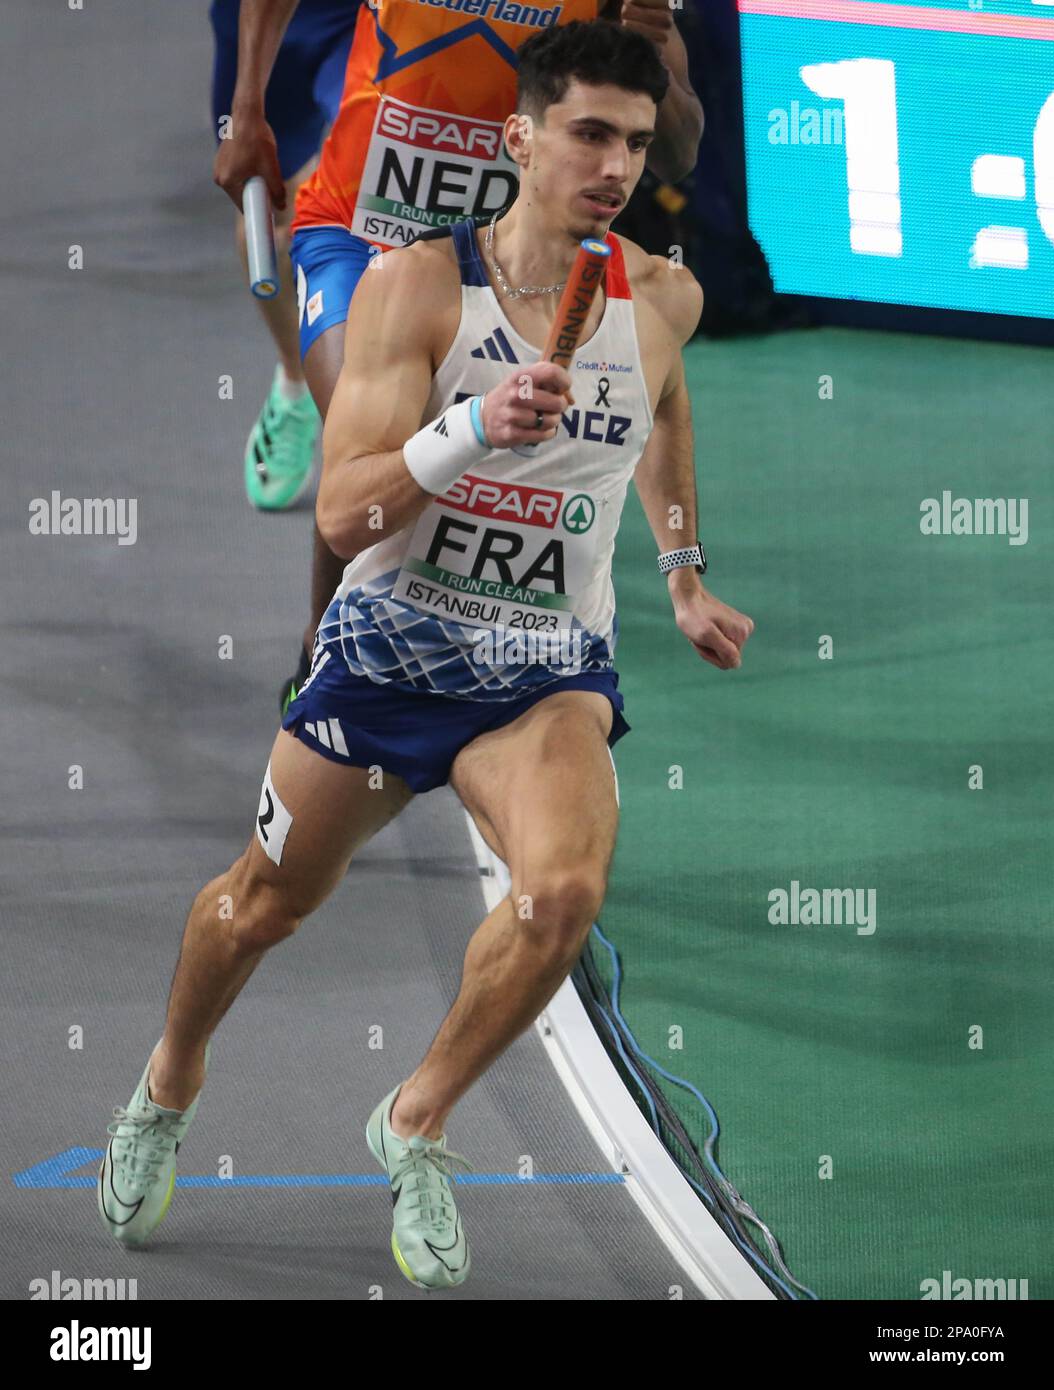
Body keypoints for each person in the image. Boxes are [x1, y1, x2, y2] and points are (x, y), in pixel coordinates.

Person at [98, 19, 752, 1291]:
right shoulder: (414, 290)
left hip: (545, 671)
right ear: (521, 138)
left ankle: (415, 1119)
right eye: (587, 134)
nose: (614, 164)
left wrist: (680, 568)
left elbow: (666, 404)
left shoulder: (662, 297)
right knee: (259, 908)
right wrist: (469, 429)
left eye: (630, 140)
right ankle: (168, 1082)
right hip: (390, 656)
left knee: (561, 895)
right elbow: (344, 515)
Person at [213, 0, 705, 712]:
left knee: (427, 451)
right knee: (374, 431)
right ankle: (321, 658)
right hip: (358, 229)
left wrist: (650, 54)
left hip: (488, 261)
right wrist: (247, 107)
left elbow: (680, 153)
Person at [210, 0, 360, 510]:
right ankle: (296, 383)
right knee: (269, 221)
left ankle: (381, 404)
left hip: (371, 17)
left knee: (377, 188)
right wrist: (247, 107)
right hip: (259, 17)